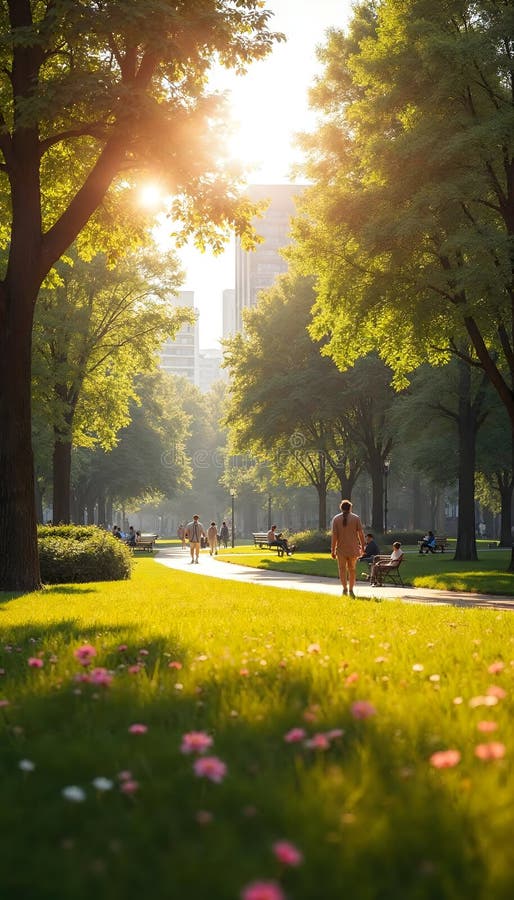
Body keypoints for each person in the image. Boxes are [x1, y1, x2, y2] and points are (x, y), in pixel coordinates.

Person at [331, 499, 365, 598]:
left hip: (341, 549)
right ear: (350, 508)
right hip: (353, 548)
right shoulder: (356, 518)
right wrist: (363, 547)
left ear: (341, 508)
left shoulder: (336, 519)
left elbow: (334, 536)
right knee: (352, 570)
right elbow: (361, 534)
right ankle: (351, 589)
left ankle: (344, 588)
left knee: (342, 570)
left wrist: (332, 550)